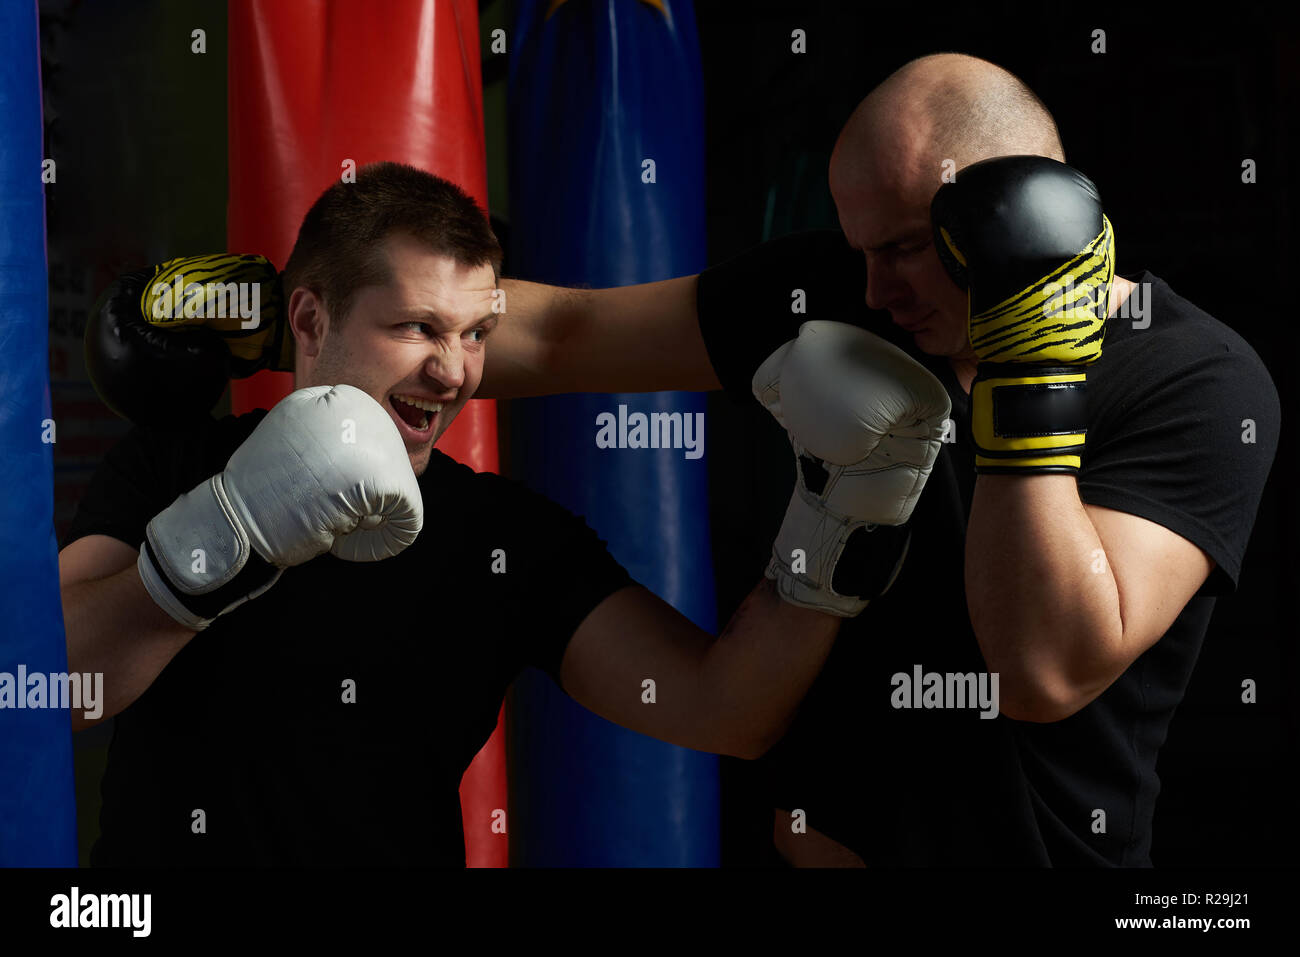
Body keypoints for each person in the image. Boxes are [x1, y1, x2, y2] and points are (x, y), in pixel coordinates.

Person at [478, 54, 1280, 865]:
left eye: (900, 247)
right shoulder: (829, 296)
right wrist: (361, 327)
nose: (874, 290)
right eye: (860, 247)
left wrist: (1028, 363)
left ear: (1026, 214)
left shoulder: (1197, 380)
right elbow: (556, 338)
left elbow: (1041, 673)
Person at [60, 161, 951, 865]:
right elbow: (48, 690)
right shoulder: (175, 466)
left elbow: (725, 710)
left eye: (476, 332)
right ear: (308, 316)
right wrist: (221, 540)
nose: (453, 372)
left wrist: (837, 518)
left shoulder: (504, 540)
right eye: (414, 328)